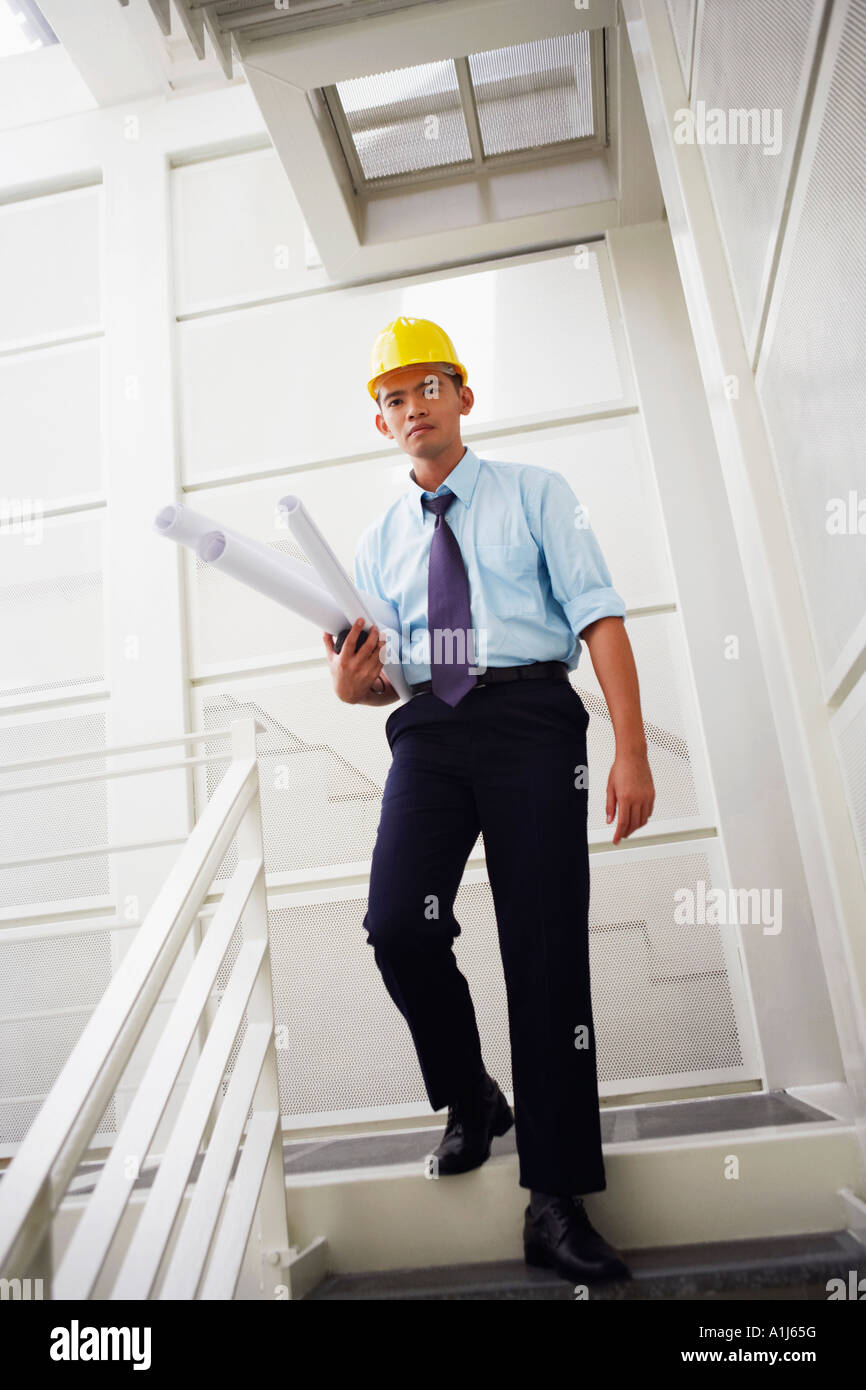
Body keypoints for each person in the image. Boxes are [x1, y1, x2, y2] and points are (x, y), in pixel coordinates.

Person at [323, 316, 654, 1284]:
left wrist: (628, 749)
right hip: (429, 727)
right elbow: (374, 677)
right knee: (397, 924)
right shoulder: (375, 542)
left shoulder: (539, 494)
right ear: (380, 423)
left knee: (543, 948)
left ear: (463, 397)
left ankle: (553, 1201)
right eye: (393, 396)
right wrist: (352, 688)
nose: (411, 405)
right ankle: (471, 1094)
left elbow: (598, 614)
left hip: (532, 718)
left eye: (428, 386)